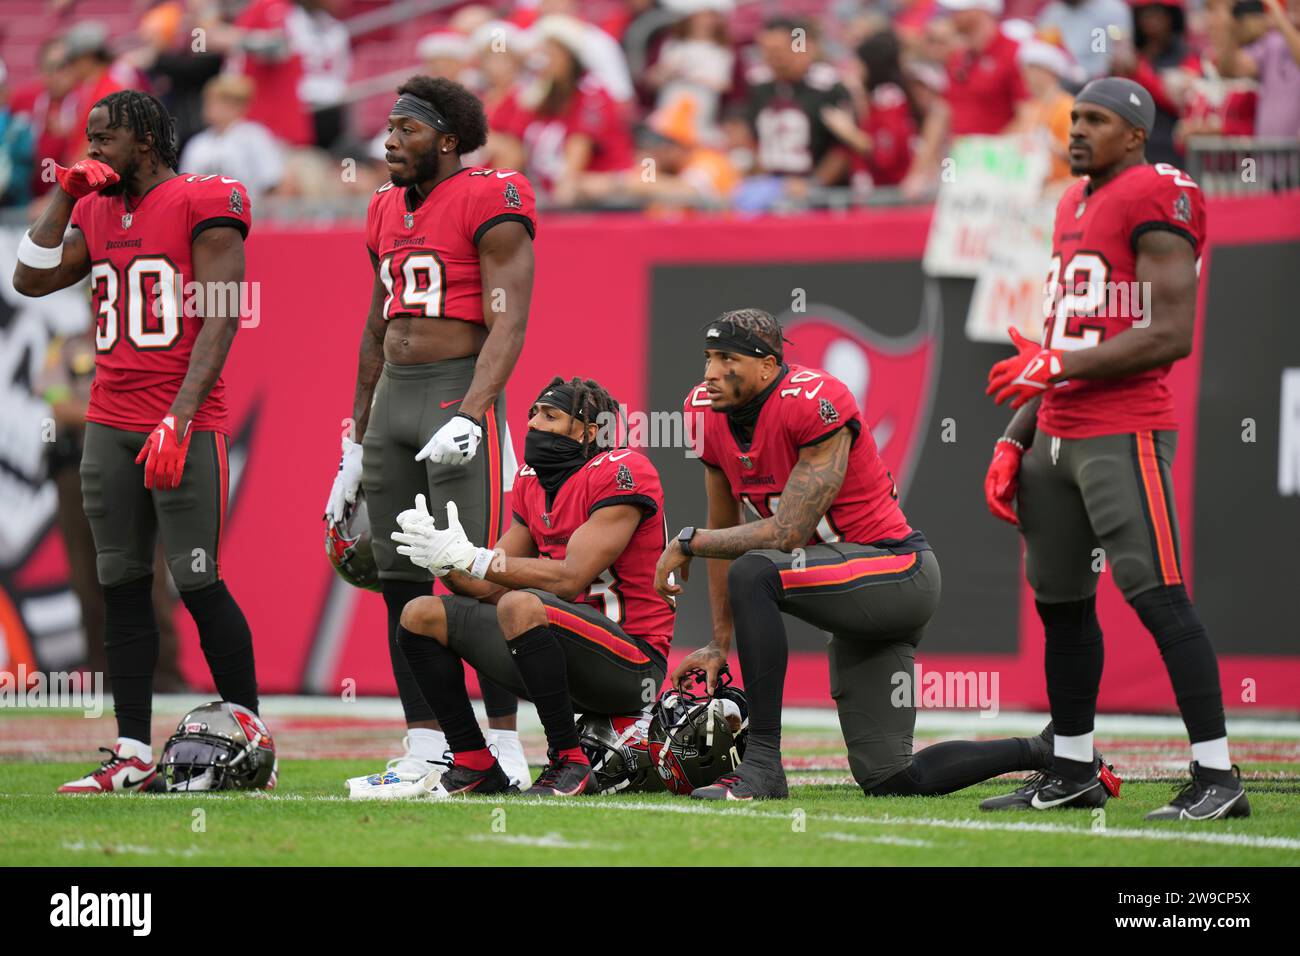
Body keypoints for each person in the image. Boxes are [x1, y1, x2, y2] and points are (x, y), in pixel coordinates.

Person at [653, 309, 1071, 801]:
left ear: (767, 367)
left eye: (727, 359)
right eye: (707, 358)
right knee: (891, 777)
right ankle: (1048, 750)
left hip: (898, 572)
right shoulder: (705, 412)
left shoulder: (814, 401)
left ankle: (763, 764)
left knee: (757, 571)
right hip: (850, 592)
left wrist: (687, 542)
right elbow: (725, 527)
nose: (710, 372)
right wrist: (719, 641)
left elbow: (789, 531)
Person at [982, 77, 1248, 821]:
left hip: (1122, 428)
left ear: (1135, 133)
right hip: (1056, 433)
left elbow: (1170, 334)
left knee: (1157, 595)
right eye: (1073, 118)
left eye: (1096, 120)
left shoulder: (1159, 191)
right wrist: (1015, 436)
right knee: (1061, 605)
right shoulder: (1071, 201)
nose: (1076, 131)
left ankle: (1218, 776)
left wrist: (1057, 367)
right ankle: (1072, 768)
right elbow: (1069, 336)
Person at [13, 90, 261, 793]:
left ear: (145, 141)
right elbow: (27, 277)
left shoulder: (203, 200)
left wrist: (180, 417)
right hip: (108, 422)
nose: (91, 150)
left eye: (103, 138)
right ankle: (130, 750)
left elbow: (221, 316)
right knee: (119, 581)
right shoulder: (93, 209)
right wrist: (64, 197)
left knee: (197, 579)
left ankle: (251, 734)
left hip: (183, 419)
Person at [325, 76, 536, 796]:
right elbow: (375, 324)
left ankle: (504, 742)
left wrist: (474, 413)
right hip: (394, 400)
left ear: (447, 139)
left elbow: (508, 318)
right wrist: (354, 439)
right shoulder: (384, 206)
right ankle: (426, 746)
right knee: (399, 583)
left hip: (454, 390)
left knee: (470, 577)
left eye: (406, 129)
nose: (389, 141)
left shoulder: (491, 195)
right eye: (386, 128)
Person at [394, 378, 673, 798]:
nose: (534, 424)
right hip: (554, 650)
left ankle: (569, 761)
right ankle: (474, 762)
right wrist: (446, 562)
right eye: (533, 414)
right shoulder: (532, 480)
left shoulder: (621, 469)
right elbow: (487, 585)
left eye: (550, 416)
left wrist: (475, 557)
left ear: (588, 430)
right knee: (420, 614)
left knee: (520, 605)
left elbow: (570, 577)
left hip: (630, 661)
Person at [902, 0, 1032, 197]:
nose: (952, 15)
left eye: (959, 10)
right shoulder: (957, 58)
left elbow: (1028, 116)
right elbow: (941, 114)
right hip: (962, 169)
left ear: (981, 10)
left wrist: (984, 154)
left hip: (1001, 172)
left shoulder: (1015, 52)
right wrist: (918, 170)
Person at [179, 74, 284, 198]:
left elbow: (271, 181)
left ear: (236, 106)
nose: (209, 107)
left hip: (248, 211)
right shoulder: (197, 143)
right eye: (208, 101)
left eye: (216, 102)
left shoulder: (254, 136)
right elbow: (186, 187)